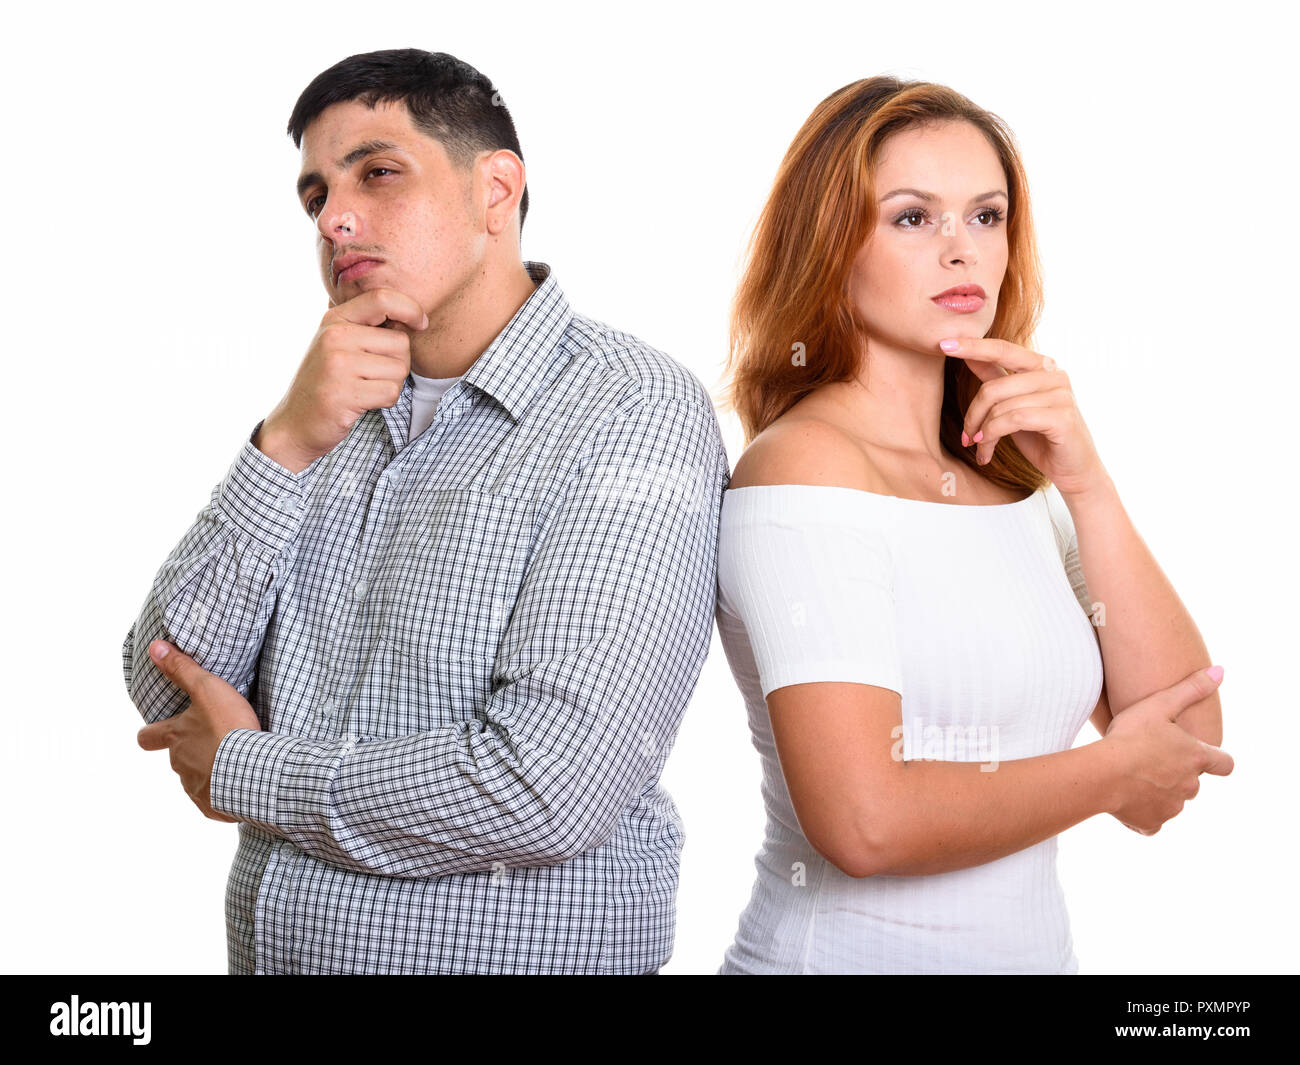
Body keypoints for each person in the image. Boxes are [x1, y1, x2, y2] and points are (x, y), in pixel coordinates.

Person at [122, 48, 730, 975]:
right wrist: (283, 445)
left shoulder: (632, 410)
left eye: (378, 172)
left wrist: (253, 770)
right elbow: (170, 694)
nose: (336, 218)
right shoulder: (323, 407)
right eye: (316, 194)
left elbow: (546, 786)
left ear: (497, 189)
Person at [712, 76, 1233, 974]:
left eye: (986, 216)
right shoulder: (805, 470)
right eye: (913, 218)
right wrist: (1110, 772)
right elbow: (864, 824)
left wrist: (1089, 484)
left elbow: (1188, 747)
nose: (963, 252)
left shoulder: (1015, 478)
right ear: (832, 246)